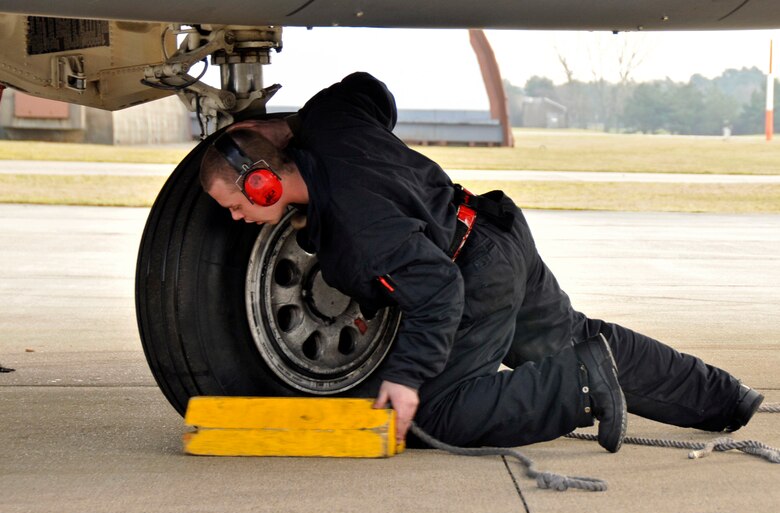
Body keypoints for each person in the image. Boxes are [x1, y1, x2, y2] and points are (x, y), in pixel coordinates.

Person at [199, 72, 764, 452]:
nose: (237, 217)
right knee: (571, 337)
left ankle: (580, 386)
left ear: (265, 183)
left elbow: (440, 292)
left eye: (236, 204)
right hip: (495, 230)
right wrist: (293, 126)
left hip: (474, 274)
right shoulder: (330, 121)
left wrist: (406, 379)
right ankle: (725, 400)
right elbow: (371, 91)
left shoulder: (359, 234)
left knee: (435, 414)